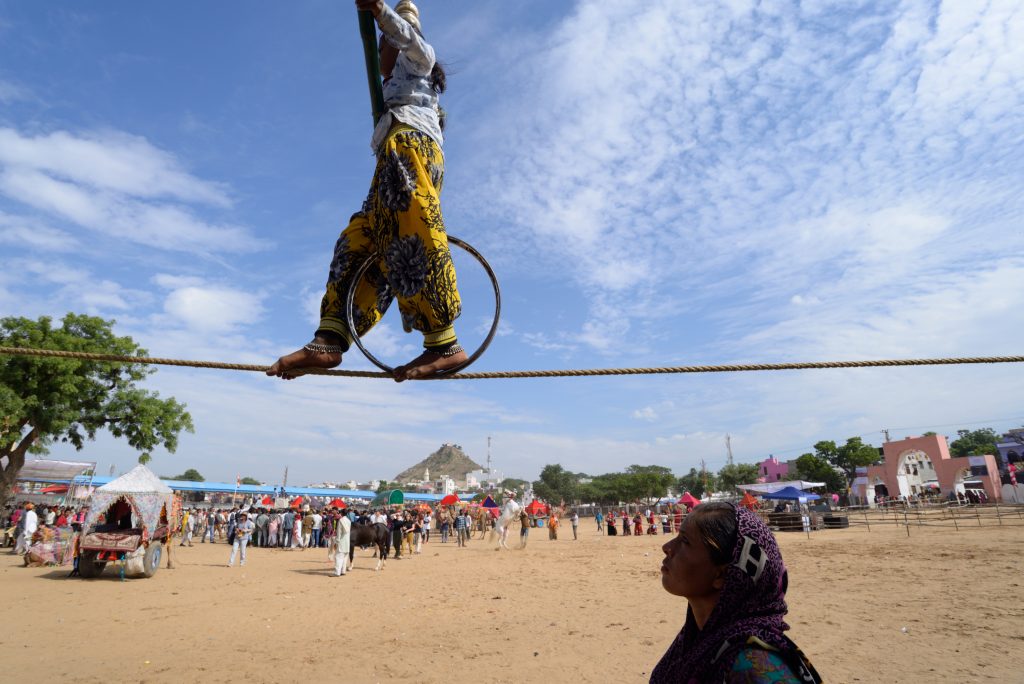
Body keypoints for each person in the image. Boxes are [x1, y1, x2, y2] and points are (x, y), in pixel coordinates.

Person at [266, 0, 465, 383]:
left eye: (384, 43)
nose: (381, 51)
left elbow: (409, 40)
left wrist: (379, 11)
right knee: (359, 240)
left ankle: (444, 342)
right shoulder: (392, 86)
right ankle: (331, 338)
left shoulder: (417, 61)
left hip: (411, 147)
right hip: (391, 156)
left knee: (411, 233)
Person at [651, 502, 822, 683]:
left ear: (721, 574)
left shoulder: (753, 666)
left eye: (685, 541)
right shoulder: (696, 638)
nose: (667, 547)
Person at [332, 511, 352, 577]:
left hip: (341, 542)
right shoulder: (349, 521)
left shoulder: (340, 521)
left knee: (338, 557)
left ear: (341, 514)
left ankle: (337, 572)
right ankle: (343, 571)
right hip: (347, 542)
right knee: (345, 558)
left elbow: (339, 533)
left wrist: (336, 542)